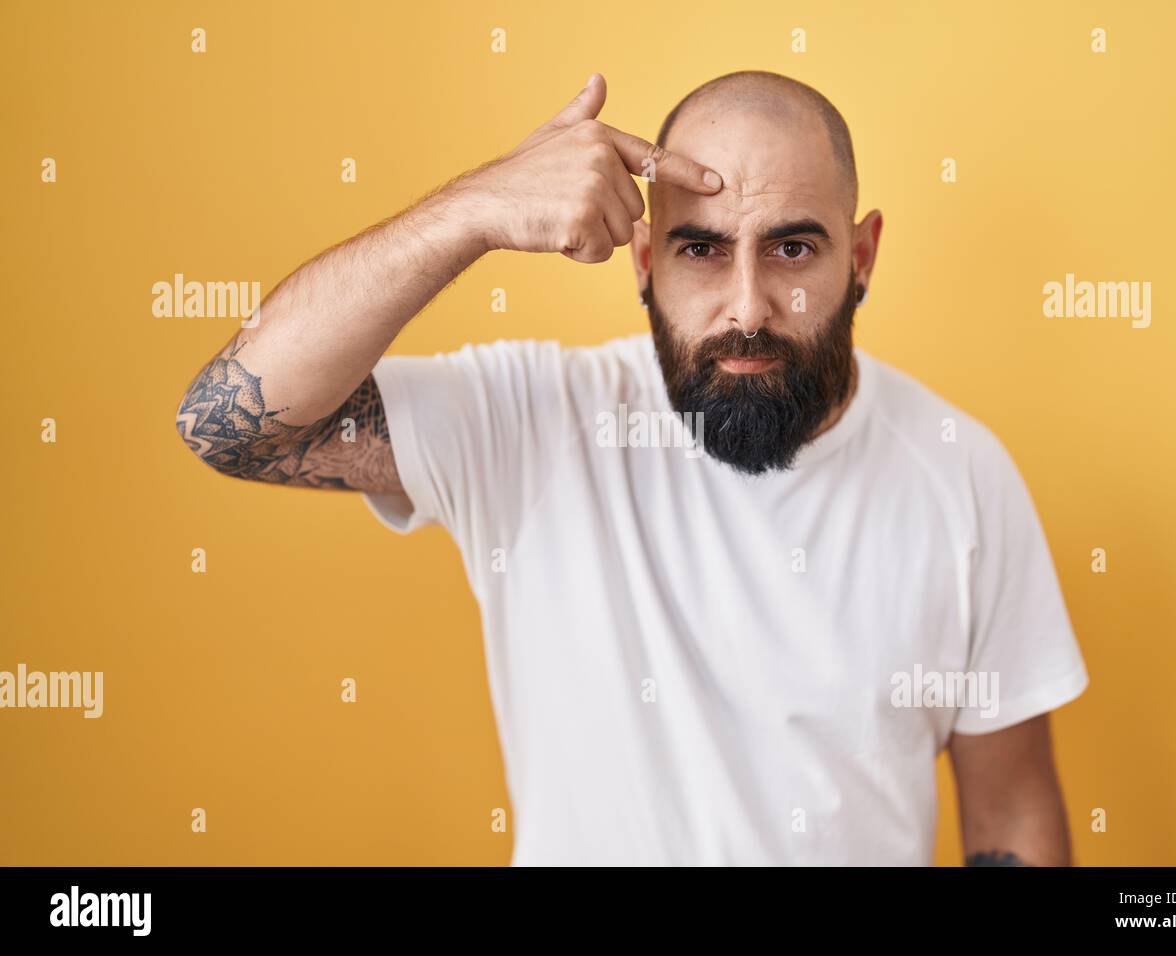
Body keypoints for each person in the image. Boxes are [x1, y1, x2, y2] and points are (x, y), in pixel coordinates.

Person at [176, 70, 1089, 866]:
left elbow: (1010, 810)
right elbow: (232, 425)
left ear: (862, 256)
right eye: (701, 249)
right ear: (645, 262)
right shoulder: (529, 423)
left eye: (793, 247)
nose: (746, 307)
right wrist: (472, 212)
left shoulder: (960, 473)